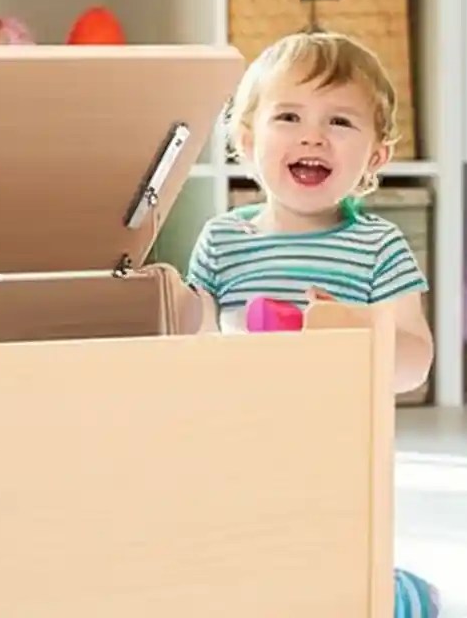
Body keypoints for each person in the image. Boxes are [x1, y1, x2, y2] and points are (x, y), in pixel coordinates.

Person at [185, 31, 441, 617]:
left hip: (339, 442)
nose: (313, 136)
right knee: (239, 550)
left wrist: (355, 329)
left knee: (339, 559)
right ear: (246, 141)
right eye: (289, 116)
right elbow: (194, 339)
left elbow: (415, 363)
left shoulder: (377, 245)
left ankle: (403, 595)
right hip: (239, 432)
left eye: (340, 122)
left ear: (375, 158)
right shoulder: (223, 239)